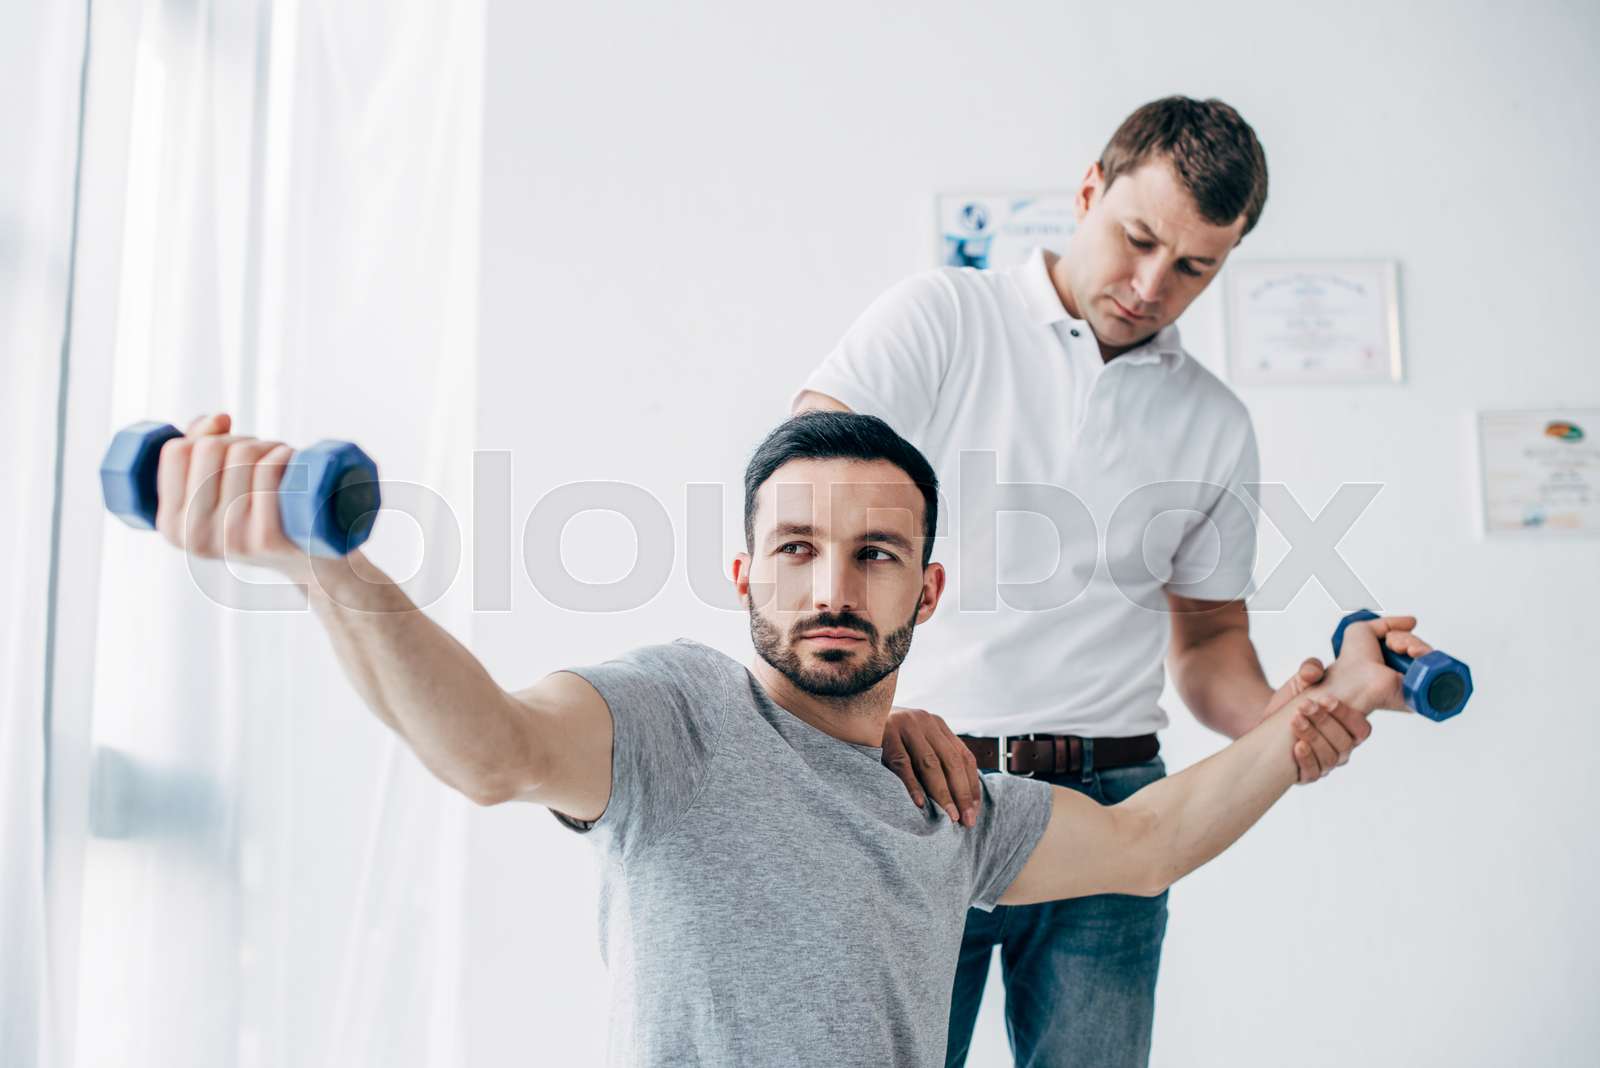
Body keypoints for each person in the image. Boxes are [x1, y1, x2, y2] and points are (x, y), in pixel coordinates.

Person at [149, 410, 1423, 1067]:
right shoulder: (670, 717)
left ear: (925, 594)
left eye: (875, 556)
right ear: (745, 573)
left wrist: (1340, 702)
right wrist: (325, 564)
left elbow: (1145, 843)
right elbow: (488, 748)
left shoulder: (946, 800)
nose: (833, 587)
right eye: (800, 552)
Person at [793, 96, 1358, 1065]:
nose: (1149, 285)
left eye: (1193, 268)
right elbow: (800, 492)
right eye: (1136, 238)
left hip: (1115, 810)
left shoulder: (1214, 423)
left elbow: (1210, 644)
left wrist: (1283, 722)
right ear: (1088, 191)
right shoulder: (942, 319)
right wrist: (851, 717)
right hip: (919, 783)